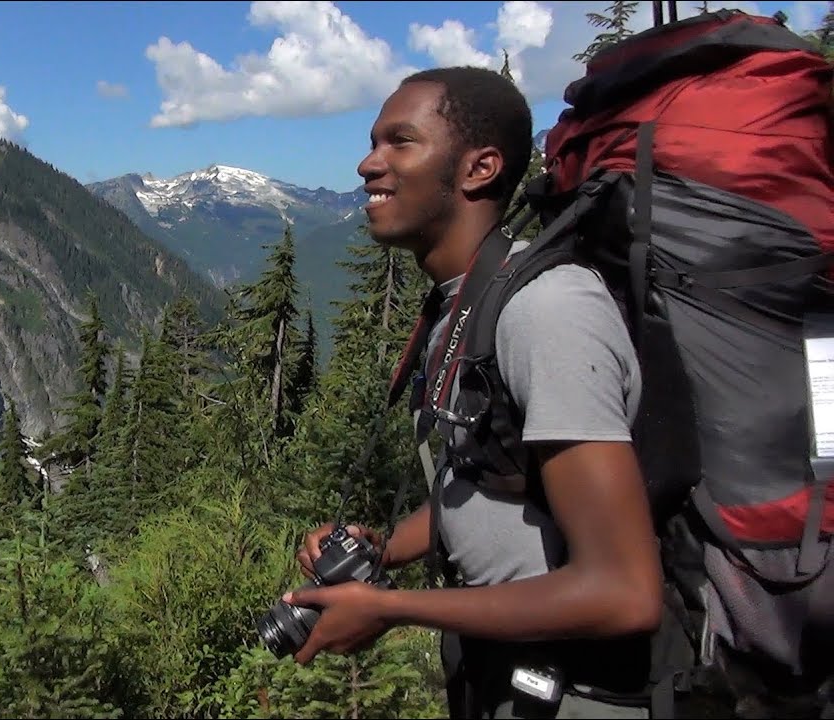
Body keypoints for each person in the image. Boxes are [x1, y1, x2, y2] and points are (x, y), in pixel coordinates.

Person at [283, 66, 668, 719]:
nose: (367, 164)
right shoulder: (465, 304)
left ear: (479, 168)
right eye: (374, 141)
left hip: (580, 695)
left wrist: (391, 608)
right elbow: (501, 482)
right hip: (504, 682)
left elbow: (624, 591)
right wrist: (382, 547)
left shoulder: (546, 311)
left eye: (400, 142)